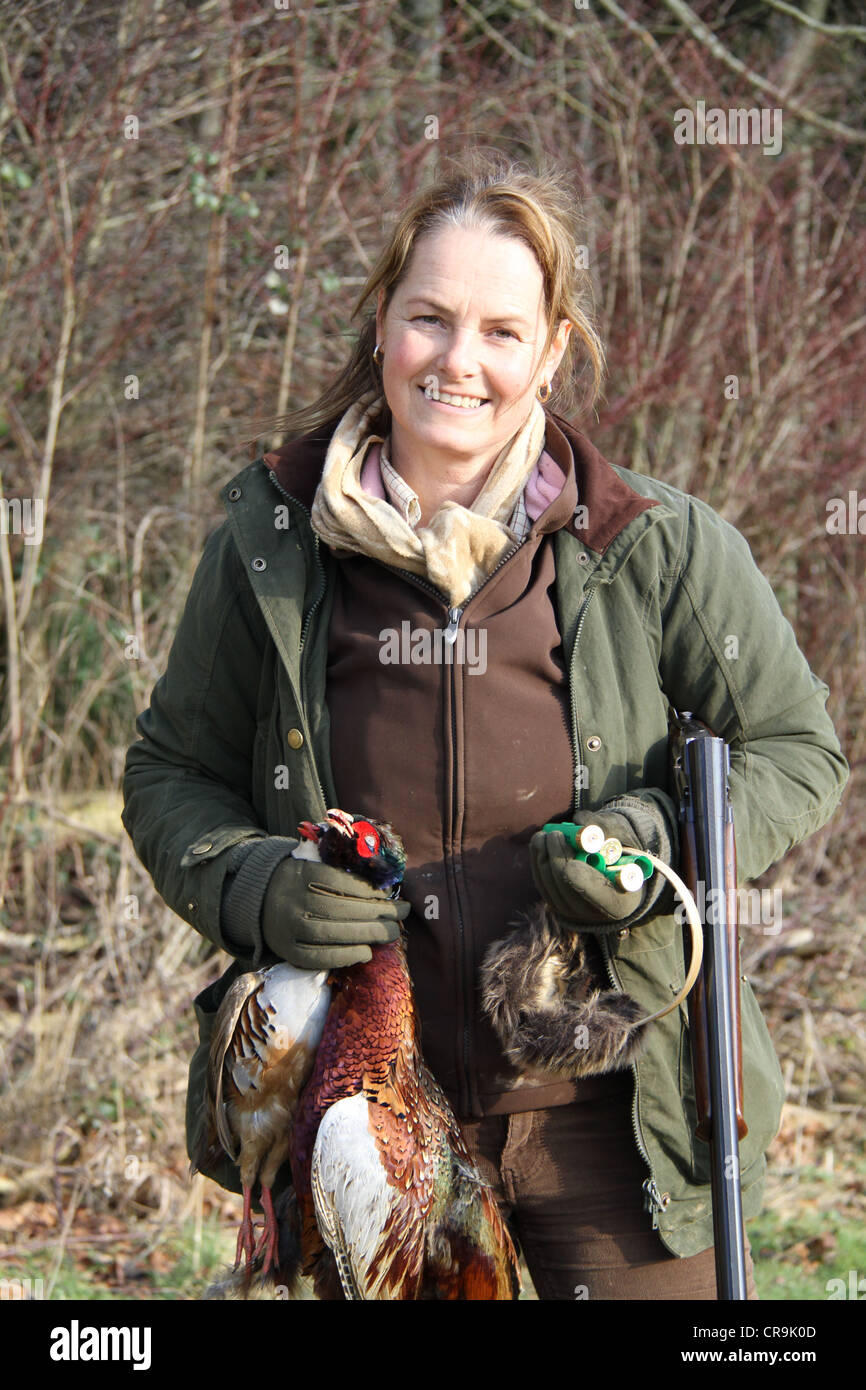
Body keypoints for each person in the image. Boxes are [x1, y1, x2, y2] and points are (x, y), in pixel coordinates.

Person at [121, 150, 848, 1300]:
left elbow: (797, 754)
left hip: (613, 1116)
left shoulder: (653, 543)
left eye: (502, 331)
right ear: (380, 325)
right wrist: (255, 884)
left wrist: (649, 846)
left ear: (551, 350)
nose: (461, 361)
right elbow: (170, 771)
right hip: (371, 1132)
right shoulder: (271, 544)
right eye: (429, 319)